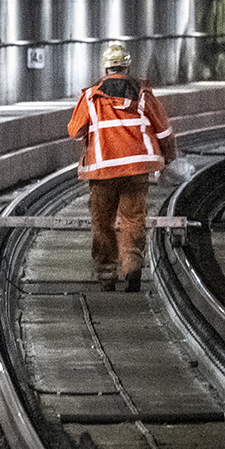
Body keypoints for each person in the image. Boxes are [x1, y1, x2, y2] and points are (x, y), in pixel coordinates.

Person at [68, 42, 177, 292]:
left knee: (103, 222)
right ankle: (132, 267)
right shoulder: (143, 94)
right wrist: (169, 159)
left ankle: (107, 274)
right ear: (127, 66)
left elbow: (74, 130)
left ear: (106, 68)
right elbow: (164, 130)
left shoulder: (91, 97)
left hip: (102, 169)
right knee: (132, 218)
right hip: (136, 169)